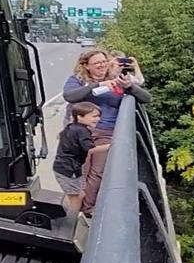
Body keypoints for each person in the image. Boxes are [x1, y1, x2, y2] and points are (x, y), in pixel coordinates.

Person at [62, 49, 152, 217]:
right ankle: (75, 207)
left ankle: (86, 208)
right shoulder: (78, 80)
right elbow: (69, 95)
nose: (102, 66)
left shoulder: (116, 80)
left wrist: (129, 87)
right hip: (81, 132)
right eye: (97, 63)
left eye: (104, 62)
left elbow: (146, 97)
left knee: (97, 172)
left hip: (106, 131)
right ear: (86, 66)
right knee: (81, 170)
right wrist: (96, 86)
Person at [53, 102, 101, 215]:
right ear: (80, 117)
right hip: (69, 170)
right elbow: (90, 149)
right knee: (75, 198)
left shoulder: (71, 127)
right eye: (94, 116)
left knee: (80, 194)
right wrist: (112, 146)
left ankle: (72, 215)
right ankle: (71, 220)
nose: (98, 119)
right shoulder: (81, 131)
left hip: (66, 168)